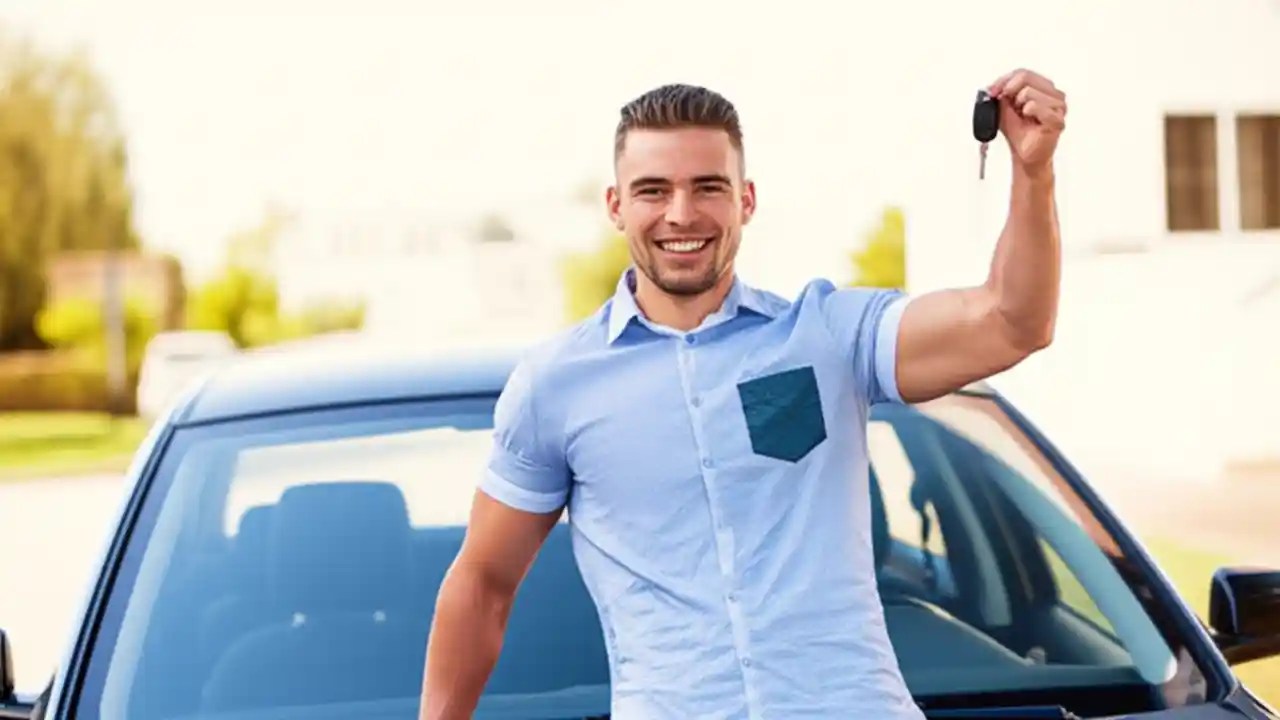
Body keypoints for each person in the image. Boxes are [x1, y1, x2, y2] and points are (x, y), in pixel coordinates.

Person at [419, 69, 1067, 720]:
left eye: (708, 187)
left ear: (746, 200)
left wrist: (1033, 172)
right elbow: (483, 583)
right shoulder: (555, 385)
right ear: (615, 206)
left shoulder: (826, 338)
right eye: (653, 190)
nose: (681, 214)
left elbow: (1013, 322)